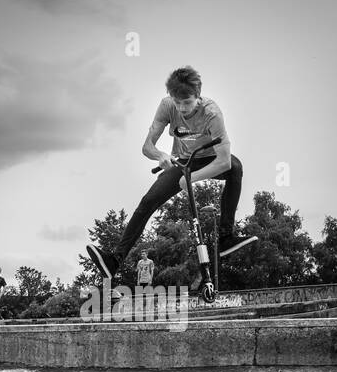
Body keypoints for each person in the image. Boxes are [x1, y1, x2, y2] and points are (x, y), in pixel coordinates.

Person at [86, 66, 256, 284]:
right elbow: (147, 146)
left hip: (210, 160)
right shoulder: (167, 106)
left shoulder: (212, 114)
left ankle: (225, 237)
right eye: (178, 102)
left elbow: (223, 161)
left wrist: (190, 179)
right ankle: (114, 260)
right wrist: (160, 155)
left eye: (187, 102)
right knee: (148, 201)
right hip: (181, 160)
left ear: (198, 96)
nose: (182, 108)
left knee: (236, 167)